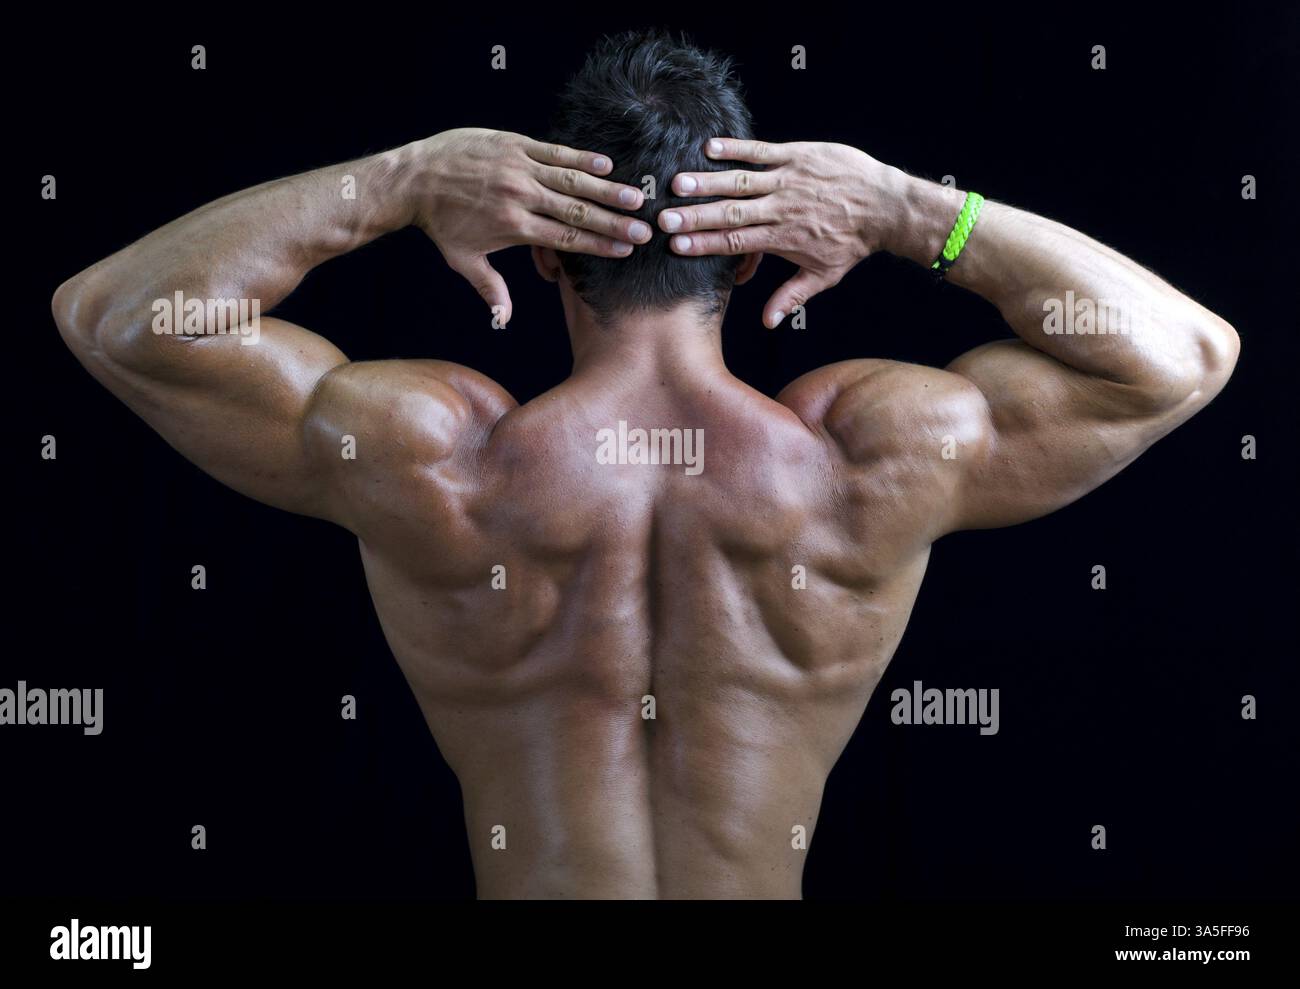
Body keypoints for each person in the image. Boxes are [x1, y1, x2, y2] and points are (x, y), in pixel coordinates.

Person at [51, 30, 1238, 898]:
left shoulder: (430, 454)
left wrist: (404, 182)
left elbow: (119, 316)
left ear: (548, 257)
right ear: (755, 258)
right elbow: (1179, 355)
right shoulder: (868, 460)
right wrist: (905, 211)